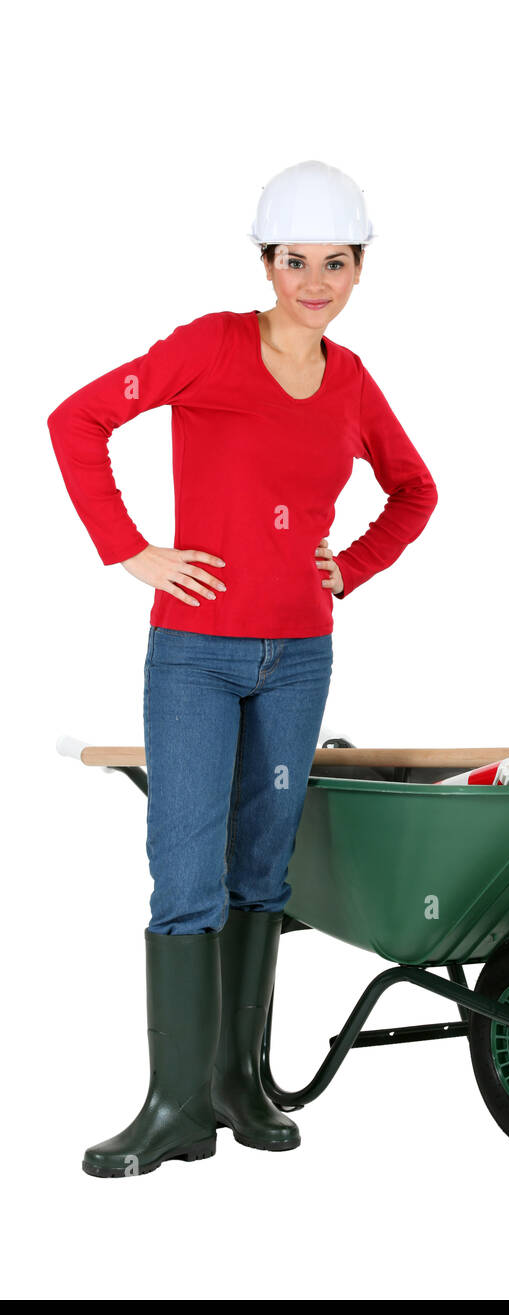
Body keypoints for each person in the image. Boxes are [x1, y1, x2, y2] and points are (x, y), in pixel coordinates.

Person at [47, 159, 438, 1178]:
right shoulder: (210, 347)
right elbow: (75, 420)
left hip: (300, 658)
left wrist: (343, 570)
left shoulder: (350, 381)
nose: (314, 280)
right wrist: (130, 549)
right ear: (266, 262)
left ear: (359, 269)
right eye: (295, 260)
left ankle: (238, 1083)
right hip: (196, 660)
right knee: (187, 875)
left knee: (264, 869)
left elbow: (413, 491)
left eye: (335, 262)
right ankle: (173, 1104)